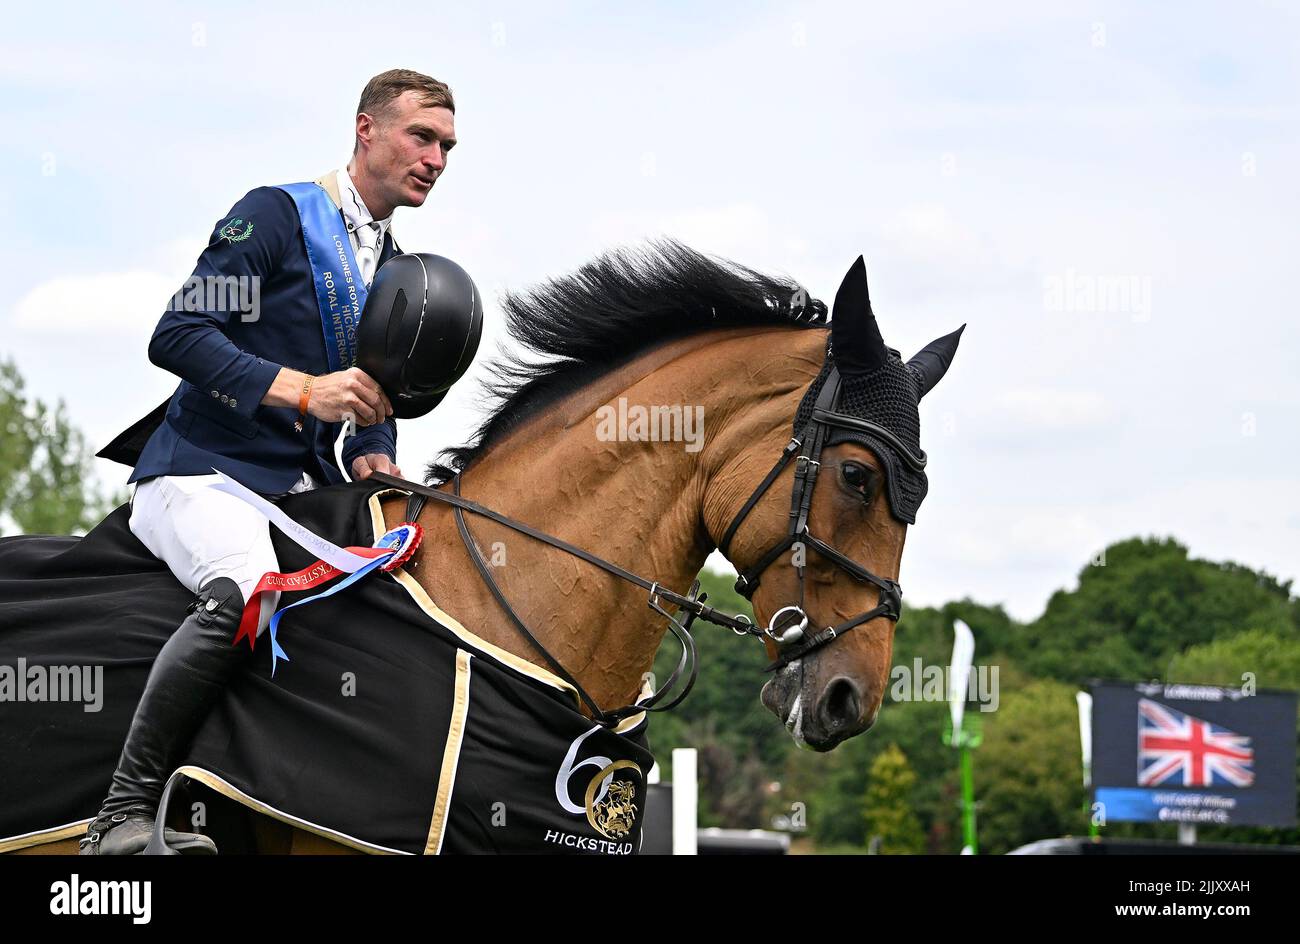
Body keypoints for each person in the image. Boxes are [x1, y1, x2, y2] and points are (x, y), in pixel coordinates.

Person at [80, 69, 459, 855]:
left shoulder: (395, 265)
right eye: (421, 137)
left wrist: (377, 460)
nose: (436, 159)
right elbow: (175, 336)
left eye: (448, 147)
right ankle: (120, 818)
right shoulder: (276, 214)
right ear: (365, 129)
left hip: (301, 493)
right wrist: (300, 390)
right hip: (202, 473)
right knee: (247, 592)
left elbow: (369, 405)